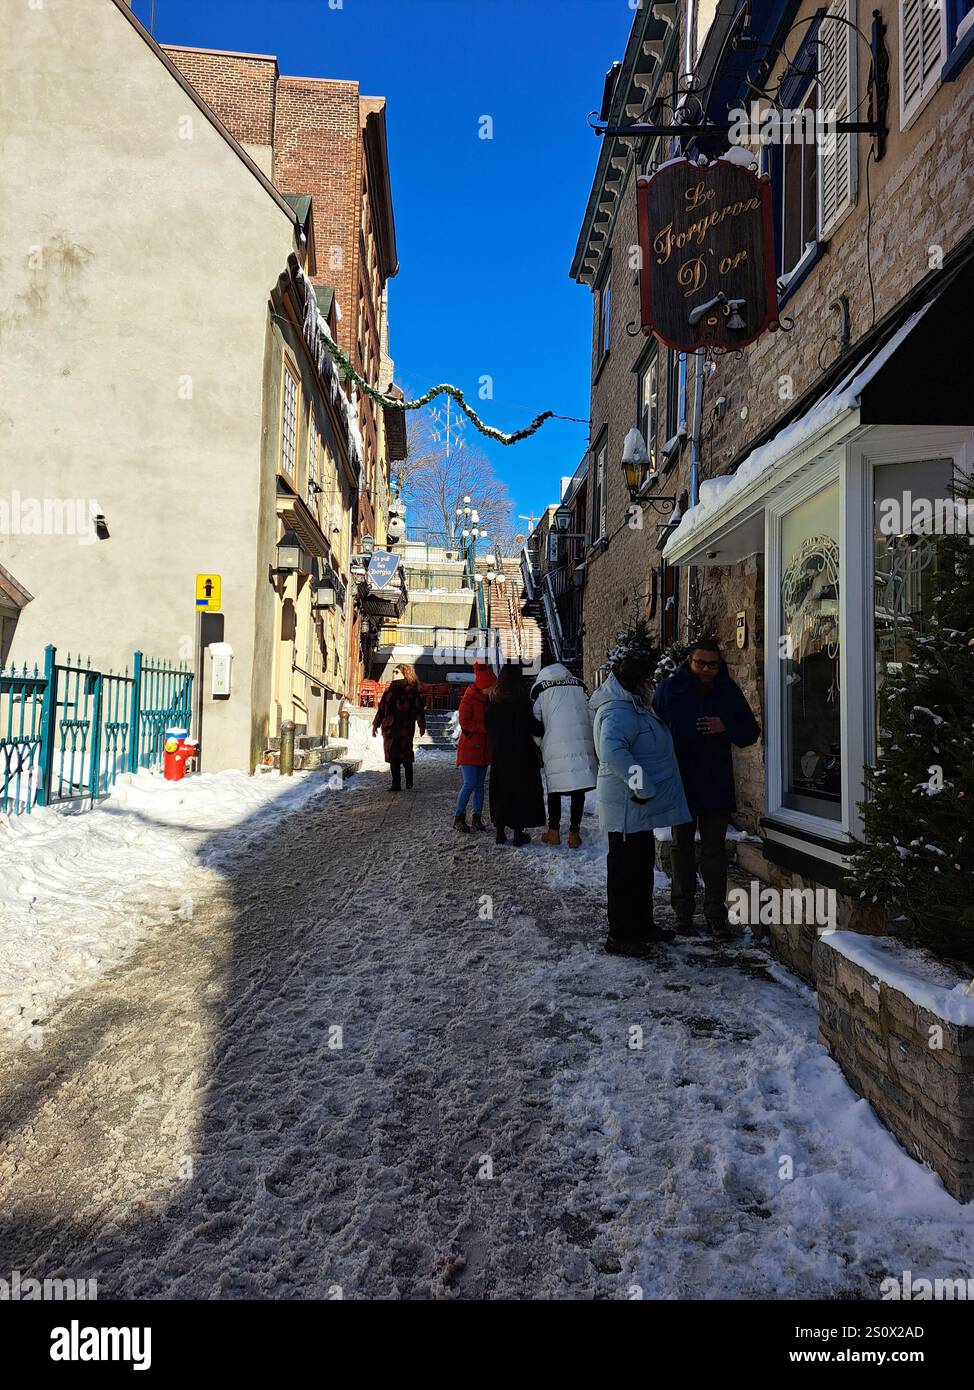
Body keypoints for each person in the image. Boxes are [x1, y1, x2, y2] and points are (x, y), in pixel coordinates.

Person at [652, 638, 760, 939]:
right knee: (681, 849)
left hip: (715, 782)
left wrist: (725, 726)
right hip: (681, 781)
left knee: (714, 852)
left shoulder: (728, 690)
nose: (706, 670)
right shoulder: (671, 689)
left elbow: (751, 731)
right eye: (701, 663)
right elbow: (654, 724)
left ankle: (715, 914)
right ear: (690, 660)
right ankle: (683, 914)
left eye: (712, 664)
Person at [590, 637, 690, 959]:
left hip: (636, 809)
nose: (652, 685)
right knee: (623, 871)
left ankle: (642, 924)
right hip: (625, 806)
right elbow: (613, 753)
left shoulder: (633, 705)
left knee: (641, 866)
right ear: (635, 683)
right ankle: (620, 934)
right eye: (648, 680)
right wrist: (641, 786)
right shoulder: (618, 711)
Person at [530, 661, 598, 848]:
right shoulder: (579, 686)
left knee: (555, 789)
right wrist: (592, 741)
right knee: (579, 788)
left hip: (553, 745)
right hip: (580, 742)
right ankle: (574, 833)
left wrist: (541, 744)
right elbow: (592, 715)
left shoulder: (540, 690)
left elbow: (535, 722)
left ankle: (554, 831)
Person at [484, 664, 546, 846]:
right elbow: (533, 727)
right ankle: (518, 833)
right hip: (521, 754)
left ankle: (500, 831)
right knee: (520, 791)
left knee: (501, 790)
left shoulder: (493, 702)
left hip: (500, 754)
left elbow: (488, 726)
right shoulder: (522, 702)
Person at [454, 660, 496, 833]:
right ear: (483, 686)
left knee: (480, 786)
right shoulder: (469, 698)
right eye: (491, 687)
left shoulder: (489, 699)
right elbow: (464, 722)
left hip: (484, 750)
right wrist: (485, 728)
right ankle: (459, 817)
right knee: (470, 783)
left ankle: (477, 817)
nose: (494, 690)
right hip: (469, 750)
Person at [371, 663, 426, 791]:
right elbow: (381, 709)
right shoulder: (389, 691)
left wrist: (421, 724)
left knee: (405, 753)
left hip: (405, 727)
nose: (393, 674)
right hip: (389, 728)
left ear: (404, 673)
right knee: (392, 754)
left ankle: (409, 780)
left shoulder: (411, 690)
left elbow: (419, 709)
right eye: (393, 672)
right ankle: (395, 783)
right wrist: (375, 724)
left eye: (396, 672)